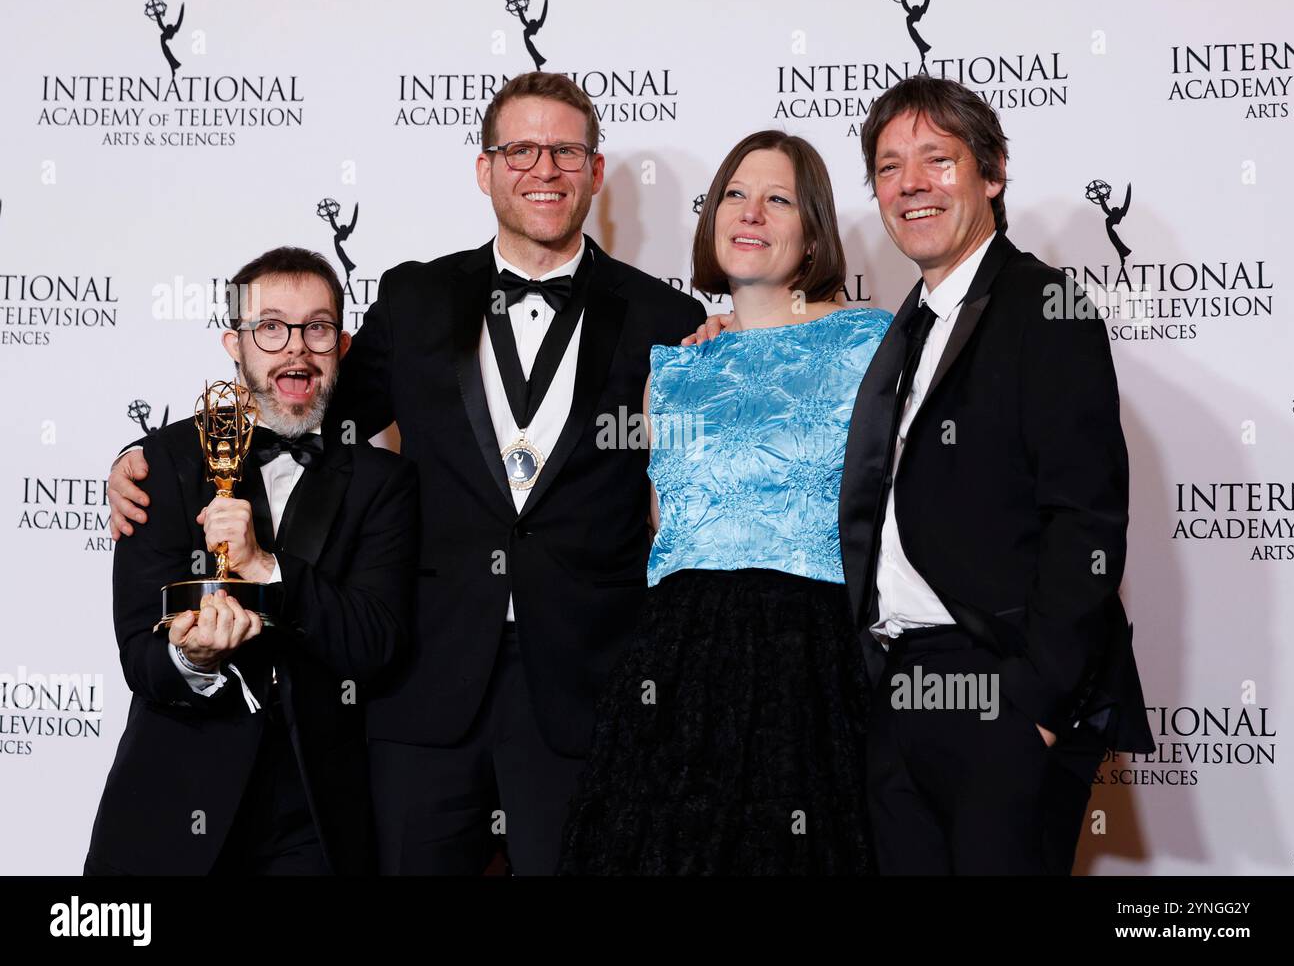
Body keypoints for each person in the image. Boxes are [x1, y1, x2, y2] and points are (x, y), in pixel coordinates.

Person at [108, 72, 705, 876]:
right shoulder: (418, 297)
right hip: (422, 682)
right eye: (520, 149)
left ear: (596, 171)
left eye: (567, 150)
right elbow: (299, 399)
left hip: (586, 683)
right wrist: (144, 456)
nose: (545, 169)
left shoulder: (663, 317)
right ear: (484, 169)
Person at [838, 76, 1155, 874]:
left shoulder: (1045, 306)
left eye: (937, 160)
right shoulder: (902, 330)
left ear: (993, 172)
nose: (911, 183)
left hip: (996, 689)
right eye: (888, 166)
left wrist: (1036, 705)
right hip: (898, 688)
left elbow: (1085, 520)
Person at [559, 130, 890, 874]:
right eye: (734, 195)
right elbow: (657, 521)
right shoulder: (675, 366)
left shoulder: (873, 345)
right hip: (679, 664)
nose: (751, 213)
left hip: (811, 655)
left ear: (813, 232)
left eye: (778, 199)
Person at [87, 247, 418, 875]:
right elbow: (139, 651)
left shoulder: (385, 484)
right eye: (270, 327)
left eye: (316, 327)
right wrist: (193, 658)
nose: (296, 347)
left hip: (313, 816)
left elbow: (376, 641)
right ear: (234, 344)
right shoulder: (160, 464)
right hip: (169, 804)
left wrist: (268, 567)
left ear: (342, 346)